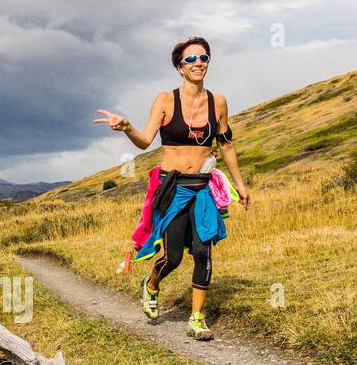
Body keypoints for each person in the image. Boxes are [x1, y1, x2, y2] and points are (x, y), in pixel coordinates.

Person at [95, 36, 251, 340]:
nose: (198, 64)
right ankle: (151, 284)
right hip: (173, 188)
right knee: (174, 257)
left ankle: (196, 318)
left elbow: (227, 145)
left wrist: (240, 185)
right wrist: (127, 128)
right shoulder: (166, 100)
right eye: (190, 60)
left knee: (203, 251)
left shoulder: (218, 103)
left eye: (203, 58)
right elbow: (145, 140)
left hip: (203, 188)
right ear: (179, 67)